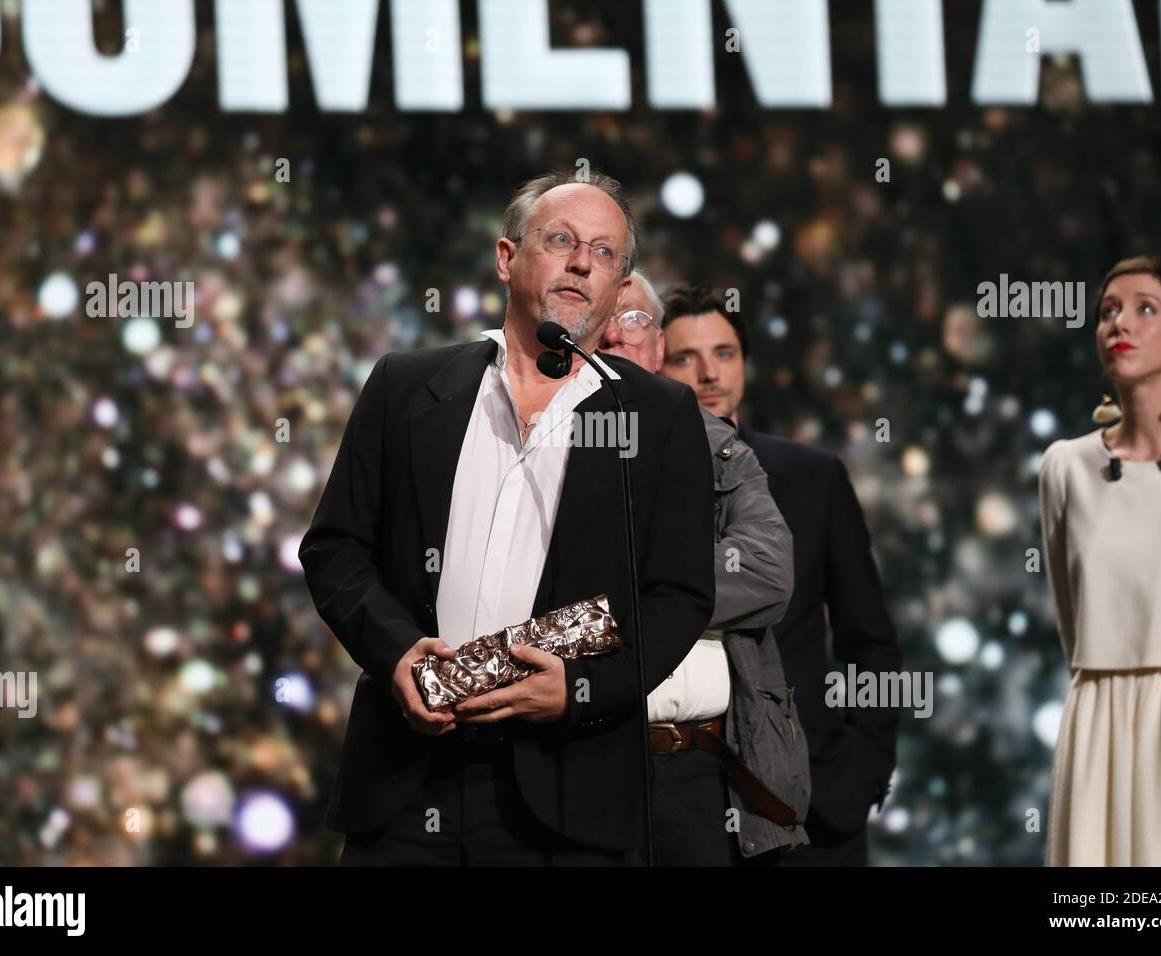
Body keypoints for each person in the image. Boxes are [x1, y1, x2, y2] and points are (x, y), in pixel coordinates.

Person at [299, 172, 716, 865]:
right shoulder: (406, 387)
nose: (583, 261)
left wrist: (579, 691)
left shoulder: (659, 418)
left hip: (569, 796)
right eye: (562, 240)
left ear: (618, 293)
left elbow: (679, 596)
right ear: (506, 257)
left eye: (607, 254)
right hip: (408, 784)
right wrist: (397, 652)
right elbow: (336, 548)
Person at [656, 284, 901, 866]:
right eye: (684, 357)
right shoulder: (636, 482)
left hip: (811, 803)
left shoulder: (813, 477)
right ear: (654, 365)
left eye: (724, 352)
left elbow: (869, 638)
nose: (708, 373)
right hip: (684, 798)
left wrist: (863, 768)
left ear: (744, 363)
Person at [598, 272, 810, 865]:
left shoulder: (720, 447)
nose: (615, 337)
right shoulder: (540, 450)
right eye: (598, 324)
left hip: (701, 769)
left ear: (658, 348)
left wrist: (613, 587)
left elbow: (769, 572)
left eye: (634, 321)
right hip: (583, 763)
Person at [1039, 256, 1161, 866]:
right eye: (1107, 312)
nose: (1119, 322)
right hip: (1102, 718)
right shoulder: (1065, 466)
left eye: (1144, 308)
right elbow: (1072, 621)